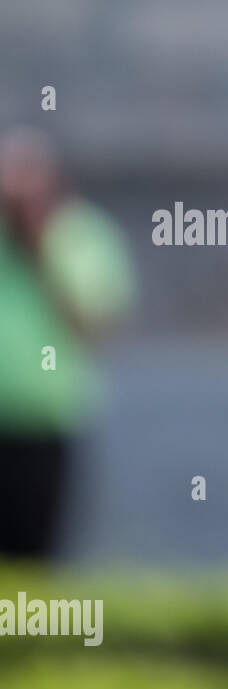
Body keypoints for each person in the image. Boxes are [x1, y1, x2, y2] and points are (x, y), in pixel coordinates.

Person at [0, 127, 134, 560]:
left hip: (46, 421)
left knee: (33, 556)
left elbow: (94, 323)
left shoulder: (81, 235)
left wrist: (37, 246)